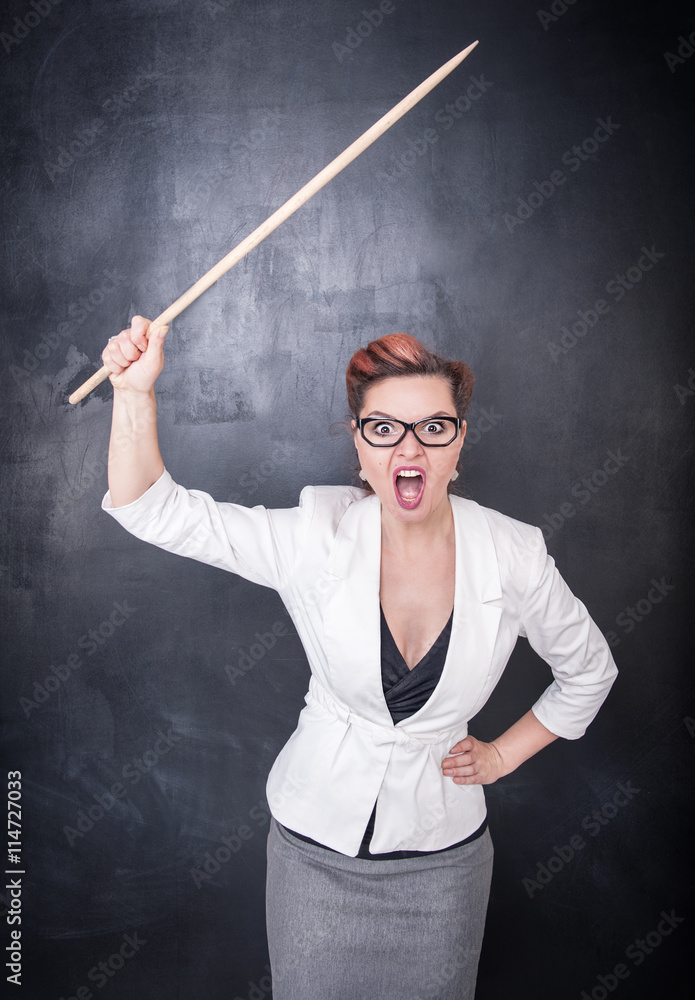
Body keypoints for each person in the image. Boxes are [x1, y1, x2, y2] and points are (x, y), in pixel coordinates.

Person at [101, 315, 618, 1000]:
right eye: (384, 428)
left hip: (444, 863)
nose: (410, 447)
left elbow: (589, 671)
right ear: (359, 445)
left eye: (434, 427)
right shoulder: (316, 535)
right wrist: (134, 395)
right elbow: (152, 510)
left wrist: (501, 755)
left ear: (458, 444)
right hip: (312, 852)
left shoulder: (513, 553)